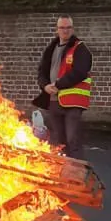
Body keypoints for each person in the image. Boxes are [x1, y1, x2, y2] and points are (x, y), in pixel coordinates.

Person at [36, 16, 93, 159]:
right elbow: (42, 72)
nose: (65, 30)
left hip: (73, 102)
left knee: (73, 140)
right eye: (62, 27)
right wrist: (45, 86)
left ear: (72, 29)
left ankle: (78, 175)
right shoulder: (51, 49)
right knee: (59, 143)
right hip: (54, 101)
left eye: (68, 27)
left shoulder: (80, 48)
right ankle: (64, 174)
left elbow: (80, 71)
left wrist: (58, 84)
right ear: (57, 30)